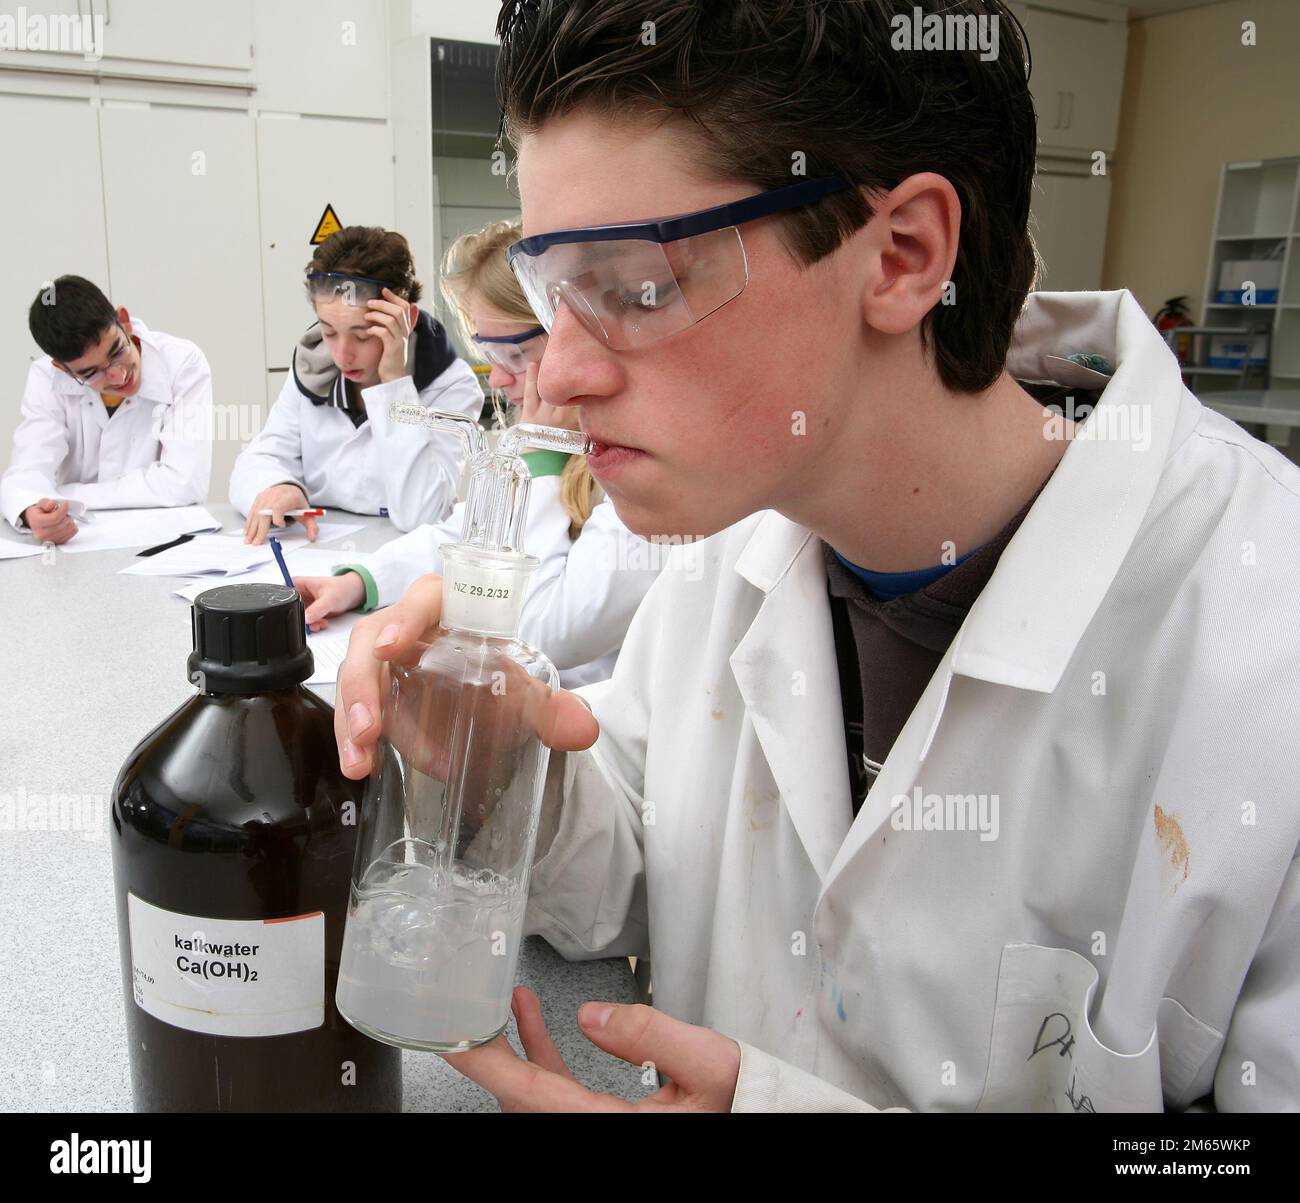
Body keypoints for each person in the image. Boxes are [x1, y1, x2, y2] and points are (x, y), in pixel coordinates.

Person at [330, 0, 1300, 1113]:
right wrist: (501, 766)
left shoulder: (1264, 649)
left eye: (638, 286)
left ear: (901, 255)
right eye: (557, 292)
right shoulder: (737, 526)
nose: (554, 381)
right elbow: (646, 862)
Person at [293, 220, 663, 687]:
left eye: (516, 355)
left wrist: (543, 463)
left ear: (577, 337)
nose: (497, 380)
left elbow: (551, 632)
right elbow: (469, 536)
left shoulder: (636, 469)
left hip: (589, 727)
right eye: (489, 354)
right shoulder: (549, 447)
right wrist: (360, 581)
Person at [229, 226, 482, 543]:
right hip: (314, 550)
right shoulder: (313, 367)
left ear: (407, 319)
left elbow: (422, 513)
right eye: (329, 331)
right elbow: (257, 462)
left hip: (399, 560)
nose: (342, 355)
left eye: (363, 335)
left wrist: (395, 385)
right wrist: (280, 487)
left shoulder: (452, 385)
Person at [2, 275, 211, 544]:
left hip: (167, 543)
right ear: (63, 369)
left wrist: (66, 494)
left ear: (124, 321)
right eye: (91, 373)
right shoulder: (46, 378)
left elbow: (184, 484)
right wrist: (33, 511)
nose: (118, 375)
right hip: (80, 546)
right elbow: (27, 471)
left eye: (116, 351)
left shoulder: (182, 363)